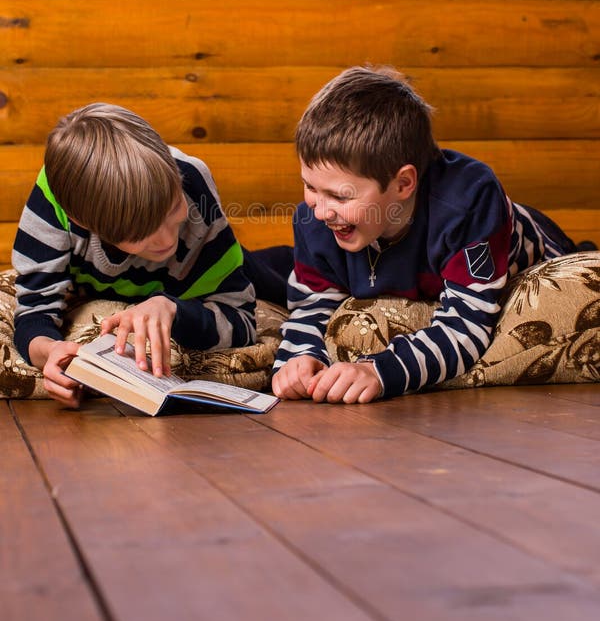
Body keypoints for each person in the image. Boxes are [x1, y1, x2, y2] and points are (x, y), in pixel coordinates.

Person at [272, 65, 582, 405]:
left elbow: (467, 326)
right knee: (269, 266)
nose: (320, 210)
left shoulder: (468, 202)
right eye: (309, 186)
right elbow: (312, 304)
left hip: (538, 246)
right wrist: (297, 358)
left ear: (403, 183)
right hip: (408, 270)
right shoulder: (314, 217)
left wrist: (379, 371)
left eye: (341, 196)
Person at [12, 103, 258, 408]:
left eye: (173, 210)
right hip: (98, 279)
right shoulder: (55, 202)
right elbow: (33, 313)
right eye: (141, 233)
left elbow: (243, 319)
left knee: (272, 279)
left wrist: (173, 309)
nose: (168, 240)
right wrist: (49, 351)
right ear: (84, 224)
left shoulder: (191, 180)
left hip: (197, 274)